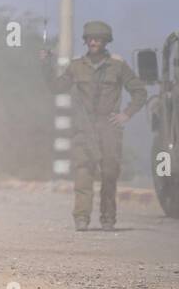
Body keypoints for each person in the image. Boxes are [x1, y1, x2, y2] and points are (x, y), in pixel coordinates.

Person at [43, 20, 147, 231]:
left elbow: (139, 92)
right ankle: (81, 218)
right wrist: (46, 66)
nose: (93, 42)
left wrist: (126, 114)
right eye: (90, 38)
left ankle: (108, 218)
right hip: (84, 128)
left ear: (105, 42)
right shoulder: (76, 66)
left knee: (109, 174)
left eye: (98, 39)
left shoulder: (118, 67)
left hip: (109, 128)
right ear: (85, 41)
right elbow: (57, 88)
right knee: (83, 173)